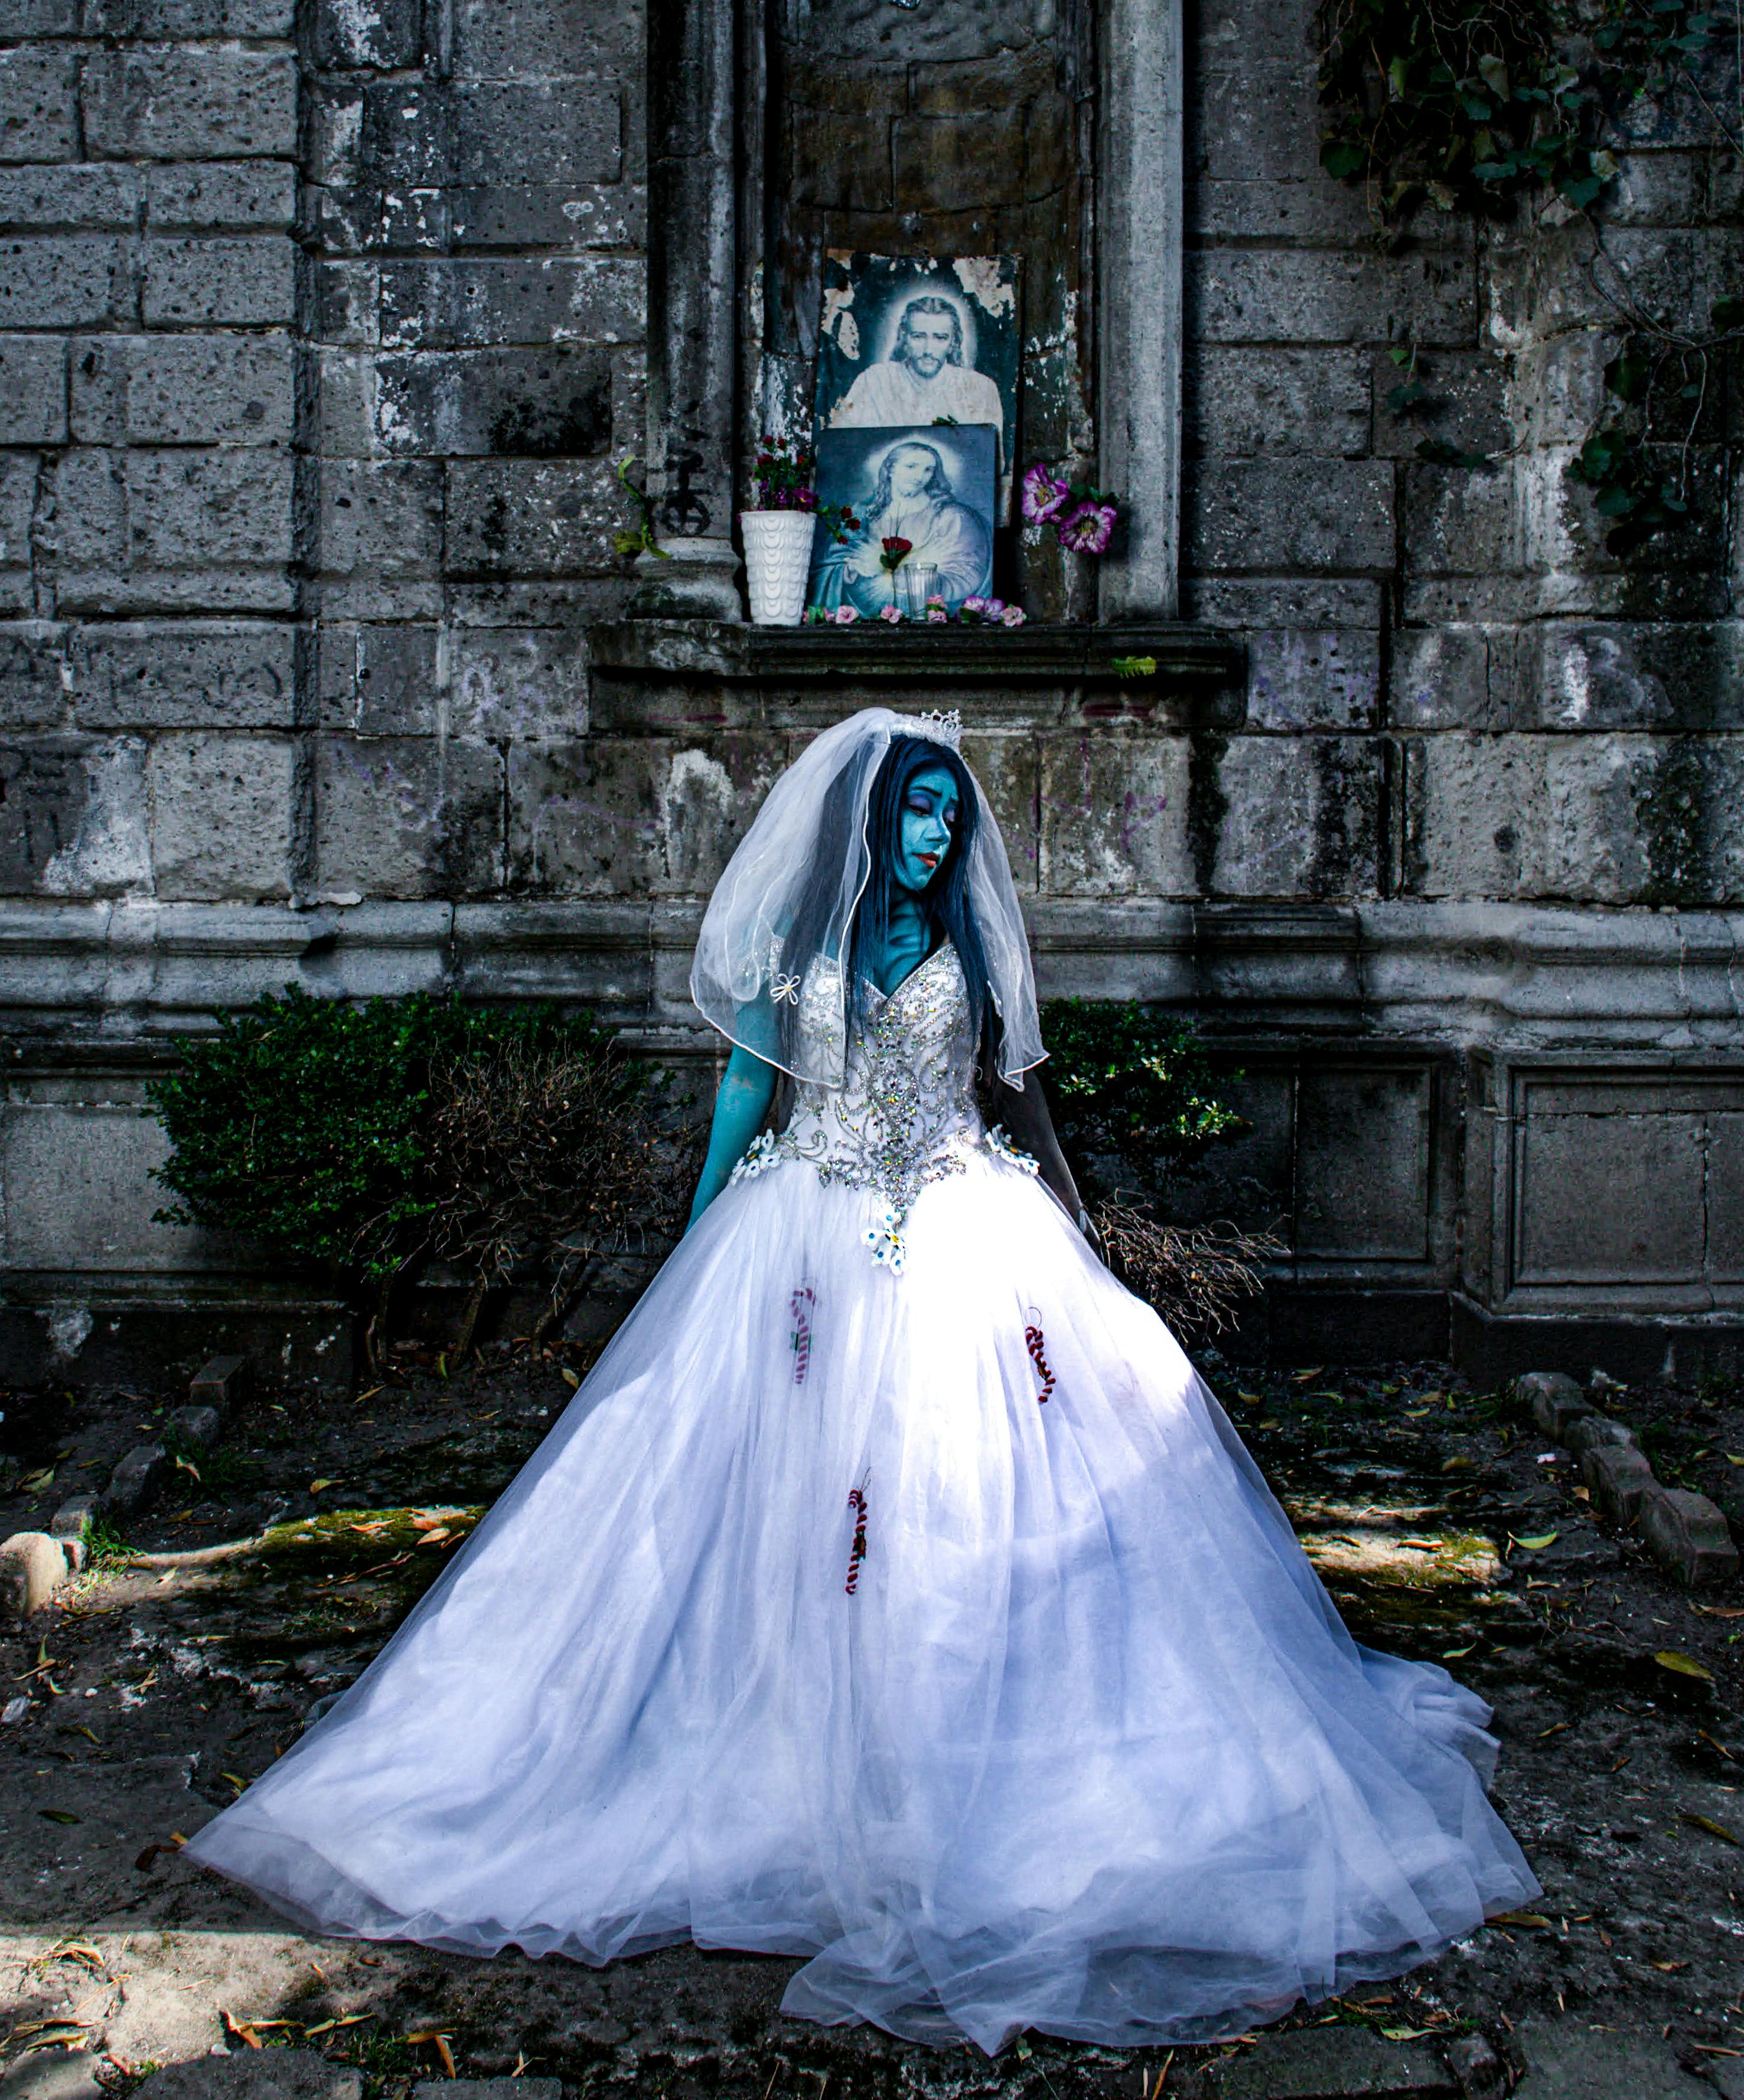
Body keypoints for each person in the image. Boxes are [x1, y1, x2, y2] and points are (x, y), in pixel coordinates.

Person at [185, 710, 1538, 2054]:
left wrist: (1081, 1245)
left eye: (949, 818)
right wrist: (699, 1234)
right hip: (805, 1238)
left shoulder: (972, 948)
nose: (932, 836)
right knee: (765, 1509)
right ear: (869, 818)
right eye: (914, 812)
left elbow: (1021, 1108)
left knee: (960, 1502)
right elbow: (743, 1092)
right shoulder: (808, 940)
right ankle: (780, 1766)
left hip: (962, 1234)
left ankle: (953, 1776)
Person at [810, 436, 993, 615]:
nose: (920, 477)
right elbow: (829, 566)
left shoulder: (952, 516)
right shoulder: (862, 515)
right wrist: (853, 569)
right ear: (890, 469)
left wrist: (916, 581)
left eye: (928, 470)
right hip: (868, 619)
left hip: (926, 619)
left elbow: (967, 573)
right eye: (911, 467)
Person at [828, 294, 1006, 454]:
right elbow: (838, 448)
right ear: (905, 337)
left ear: (953, 342)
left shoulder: (980, 389)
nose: (928, 350)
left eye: (940, 338)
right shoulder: (874, 381)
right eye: (919, 337)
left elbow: (992, 465)